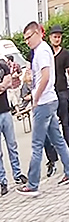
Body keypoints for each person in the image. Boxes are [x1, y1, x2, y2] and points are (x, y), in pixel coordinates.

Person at [15, 22, 69, 196]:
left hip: (44, 101)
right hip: (49, 99)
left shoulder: (42, 51)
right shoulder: (41, 50)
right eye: (25, 38)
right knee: (57, 138)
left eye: (29, 37)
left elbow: (45, 76)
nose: (27, 41)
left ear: (37, 33)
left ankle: (33, 183)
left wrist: (35, 97)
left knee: (37, 143)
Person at [47, 25, 69, 162]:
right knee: (49, 124)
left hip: (62, 90)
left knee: (65, 121)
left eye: (59, 37)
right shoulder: (46, 53)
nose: (57, 39)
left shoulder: (65, 54)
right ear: (50, 38)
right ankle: (52, 155)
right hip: (49, 92)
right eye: (55, 36)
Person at [0, 61, 26, 194]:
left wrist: (3, 85)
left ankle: (17, 174)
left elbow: (8, 83)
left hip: (5, 111)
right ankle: (2, 181)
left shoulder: (2, 65)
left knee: (12, 145)